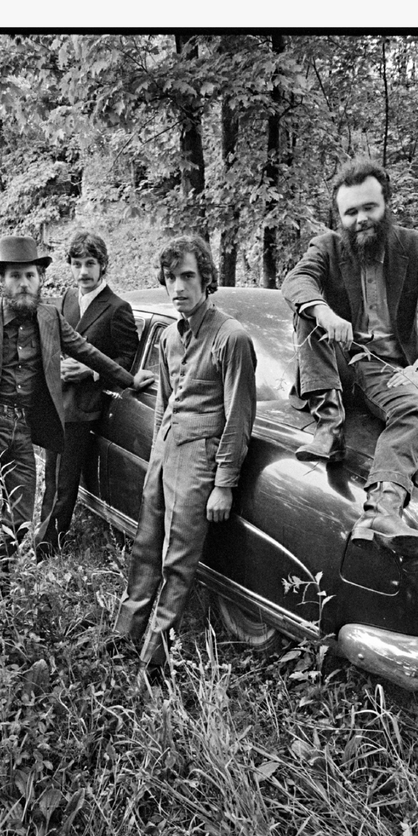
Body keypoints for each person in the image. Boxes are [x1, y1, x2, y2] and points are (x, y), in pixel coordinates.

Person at [0, 236, 153, 556]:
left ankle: (3, 583)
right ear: (1, 281)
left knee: (20, 521)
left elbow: (89, 353)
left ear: (40, 279)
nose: (24, 284)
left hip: (23, 432)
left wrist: (129, 379)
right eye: (15, 276)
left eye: (30, 276)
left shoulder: (49, 317)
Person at [282, 158, 418, 556]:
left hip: (384, 369)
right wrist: (325, 311)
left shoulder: (416, 248)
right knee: (306, 312)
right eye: (351, 212)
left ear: (386, 205)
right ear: (339, 216)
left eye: (369, 208)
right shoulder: (327, 247)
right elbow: (296, 281)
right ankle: (328, 425)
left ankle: (381, 511)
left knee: (415, 410)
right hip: (335, 364)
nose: (361, 219)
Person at [113, 235, 257, 668]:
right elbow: (164, 402)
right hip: (165, 454)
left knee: (178, 559)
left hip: (200, 459)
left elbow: (239, 418)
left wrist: (224, 485)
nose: (178, 287)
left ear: (207, 279)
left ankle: (152, 660)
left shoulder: (231, 338)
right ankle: (124, 636)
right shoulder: (169, 336)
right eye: (171, 278)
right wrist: (154, 456)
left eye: (188, 276)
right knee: (145, 547)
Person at [35, 230, 138, 559]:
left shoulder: (118, 308)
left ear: (103, 265)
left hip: (87, 406)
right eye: (77, 264)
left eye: (90, 264)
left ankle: (47, 550)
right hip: (60, 401)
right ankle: (43, 538)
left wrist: (91, 371)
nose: (83, 272)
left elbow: (127, 362)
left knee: (65, 483)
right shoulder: (67, 298)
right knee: (51, 477)